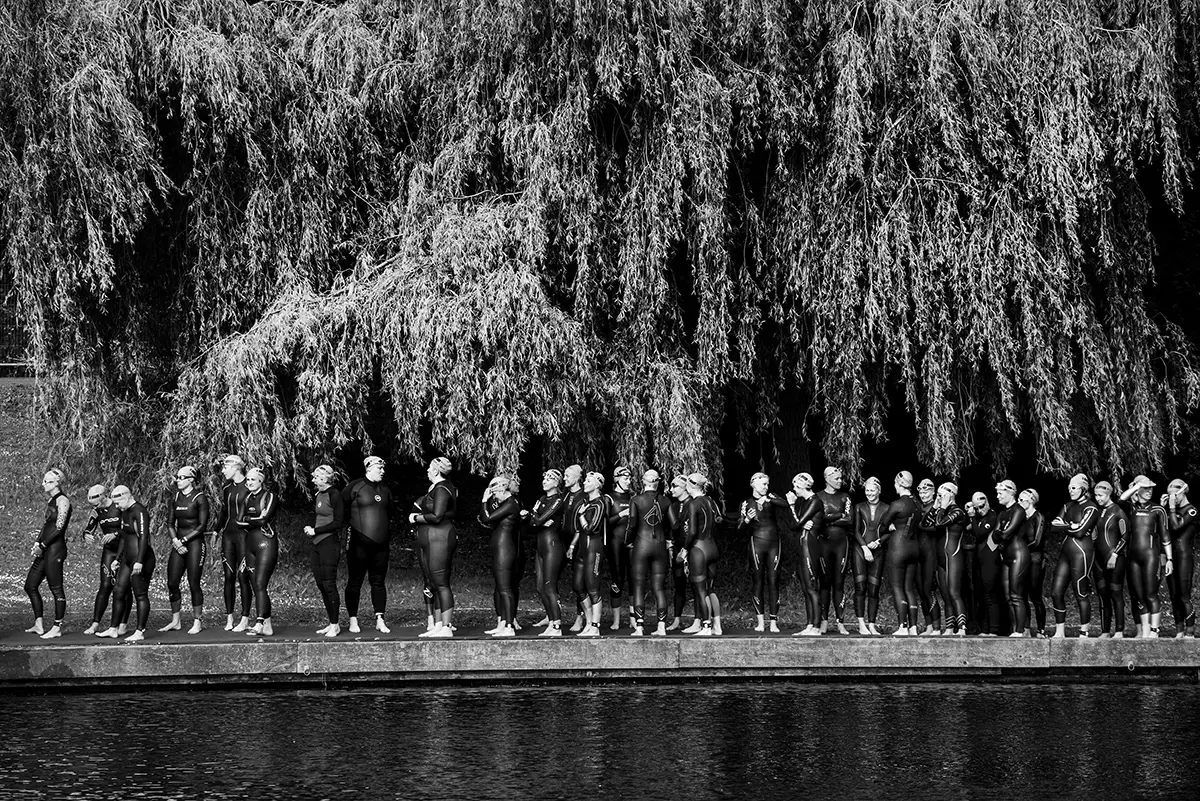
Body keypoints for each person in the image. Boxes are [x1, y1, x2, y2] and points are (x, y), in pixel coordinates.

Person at [344, 456, 394, 634]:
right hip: (359, 543)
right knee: (355, 581)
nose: (382, 471)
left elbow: (389, 513)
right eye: (379, 468)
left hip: (381, 545)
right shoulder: (355, 486)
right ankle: (353, 619)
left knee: (378, 582)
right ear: (369, 468)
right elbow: (342, 509)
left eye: (383, 468)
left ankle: (380, 619)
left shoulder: (385, 489)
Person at [408, 456, 457, 638]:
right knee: (434, 583)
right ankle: (437, 624)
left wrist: (416, 518)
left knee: (441, 582)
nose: (427, 471)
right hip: (430, 537)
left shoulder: (443, 488)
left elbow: (437, 516)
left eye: (429, 468)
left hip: (440, 537)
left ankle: (447, 626)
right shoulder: (436, 488)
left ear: (436, 470)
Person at [1119, 475, 1172, 637]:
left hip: (1151, 556)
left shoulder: (1158, 509)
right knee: (1139, 595)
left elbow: (1165, 536)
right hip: (1133, 558)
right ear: (1138, 489)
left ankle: (1154, 630)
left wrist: (1169, 559)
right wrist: (1136, 486)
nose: (1149, 491)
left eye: (1151, 489)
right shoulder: (1132, 508)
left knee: (1151, 594)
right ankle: (1145, 631)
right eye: (1146, 488)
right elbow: (1121, 499)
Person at [101, 485, 155, 642]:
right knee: (118, 590)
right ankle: (113, 628)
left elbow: (144, 537)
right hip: (127, 558)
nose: (116, 507)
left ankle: (140, 630)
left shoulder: (139, 511)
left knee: (140, 594)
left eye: (118, 503)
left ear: (126, 497)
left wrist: (139, 561)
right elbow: (124, 537)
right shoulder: (124, 512)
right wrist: (117, 559)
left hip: (142, 557)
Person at [160, 465, 209, 635]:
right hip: (178, 543)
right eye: (177, 477)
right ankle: (176, 621)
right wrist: (175, 541)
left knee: (193, 582)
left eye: (181, 477)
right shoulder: (176, 497)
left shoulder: (200, 498)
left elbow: (202, 526)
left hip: (195, 543)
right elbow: (170, 523)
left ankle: (197, 620)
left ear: (191, 479)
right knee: (172, 582)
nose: (178, 480)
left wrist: (184, 540)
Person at [1049, 474, 1099, 638]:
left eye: (1074, 487)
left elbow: (1080, 532)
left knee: (1080, 593)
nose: (1070, 490)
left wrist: (1066, 526)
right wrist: (1071, 525)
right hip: (1066, 552)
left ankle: (1084, 631)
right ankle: (1060, 631)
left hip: (1082, 552)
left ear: (1084, 489)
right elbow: (1053, 527)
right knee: (1056, 592)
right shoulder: (1068, 505)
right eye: (1069, 487)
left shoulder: (1091, 507)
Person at [739, 471, 790, 633]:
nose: (766, 487)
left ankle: (774, 622)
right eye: (763, 484)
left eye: (767, 484)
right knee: (758, 581)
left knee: (774, 581)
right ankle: (760, 621)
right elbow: (739, 528)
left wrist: (769, 498)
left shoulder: (771, 497)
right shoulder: (746, 503)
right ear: (753, 483)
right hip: (757, 543)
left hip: (774, 543)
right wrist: (747, 519)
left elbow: (785, 504)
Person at [25, 469, 72, 638]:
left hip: (55, 549)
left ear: (57, 483)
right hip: (45, 549)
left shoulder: (62, 500)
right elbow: (47, 526)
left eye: (47, 481)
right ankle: (39, 624)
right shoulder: (52, 501)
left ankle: (57, 627)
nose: (43, 484)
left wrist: (43, 545)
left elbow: (59, 528)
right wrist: (38, 542)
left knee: (56, 589)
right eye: (44, 481)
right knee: (30, 586)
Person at [81, 484, 130, 636]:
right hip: (109, 551)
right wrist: (87, 534)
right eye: (92, 505)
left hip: (125, 550)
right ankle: (95, 624)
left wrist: (115, 534)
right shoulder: (96, 511)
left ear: (104, 496)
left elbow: (129, 528)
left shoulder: (119, 506)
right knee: (105, 586)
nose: (94, 506)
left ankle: (123, 624)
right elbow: (89, 527)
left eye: (96, 503)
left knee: (124, 588)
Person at [628, 469, 672, 636]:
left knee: (639, 586)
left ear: (643, 482)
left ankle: (639, 627)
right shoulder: (665, 501)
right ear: (658, 482)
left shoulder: (636, 500)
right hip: (660, 546)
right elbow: (674, 525)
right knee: (659, 588)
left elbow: (631, 524)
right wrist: (668, 539)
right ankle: (661, 627)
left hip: (641, 545)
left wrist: (627, 541)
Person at [479, 475, 523, 638]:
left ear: (503, 489)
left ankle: (509, 625)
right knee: (500, 587)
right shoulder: (506, 503)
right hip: (500, 548)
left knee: (505, 588)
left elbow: (487, 518)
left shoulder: (511, 503)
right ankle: (503, 623)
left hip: (506, 548)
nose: (494, 497)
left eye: (495, 493)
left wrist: (484, 501)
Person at [212, 454, 252, 632]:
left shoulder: (249, 485)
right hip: (228, 534)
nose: (223, 471)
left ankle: (244, 618)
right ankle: (229, 618)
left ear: (236, 467)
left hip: (244, 536)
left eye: (225, 467)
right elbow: (223, 511)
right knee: (228, 577)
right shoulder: (227, 487)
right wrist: (215, 530)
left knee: (243, 577)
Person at [304, 464, 344, 637]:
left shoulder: (335, 494)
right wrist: (312, 529)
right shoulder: (319, 494)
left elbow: (338, 522)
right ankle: (331, 622)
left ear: (325, 478)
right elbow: (321, 518)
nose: (313, 480)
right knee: (320, 583)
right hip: (317, 543)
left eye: (316, 478)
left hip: (329, 542)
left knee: (329, 583)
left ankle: (336, 624)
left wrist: (316, 530)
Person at [877, 472, 920, 635]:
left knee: (897, 586)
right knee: (909, 588)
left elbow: (882, 525)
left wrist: (890, 526)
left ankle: (902, 626)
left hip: (899, 547)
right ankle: (913, 627)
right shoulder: (917, 503)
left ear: (899, 484)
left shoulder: (897, 504)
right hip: (914, 548)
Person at [238, 468, 279, 636]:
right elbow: (238, 521)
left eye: (252, 480)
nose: (248, 483)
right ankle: (268, 627)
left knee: (261, 584)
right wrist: (251, 520)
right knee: (255, 585)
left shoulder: (269, 497)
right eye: (247, 480)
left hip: (266, 543)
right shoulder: (246, 498)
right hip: (250, 545)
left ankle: (260, 622)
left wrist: (249, 520)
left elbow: (264, 520)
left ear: (261, 481)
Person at [571, 471, 610, 637]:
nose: (585, 483)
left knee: (593, 588)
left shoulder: (600, 504)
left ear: (597, 484)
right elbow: (578, 529)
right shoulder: (586, 503)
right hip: (582, 549)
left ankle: (595, 625)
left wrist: (581, 515)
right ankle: (588, 622)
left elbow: (591, 528)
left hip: (594, 548)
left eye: (588, 481)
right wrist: (573, 545)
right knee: (578, 586)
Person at [682, 472, 721, 636]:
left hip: (699, 549)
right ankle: (717, 626)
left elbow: (691, 532)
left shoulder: (693, 504)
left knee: (700, 590)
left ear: (690, 486)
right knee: (710, 589)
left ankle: (705, 626)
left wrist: (684, 549)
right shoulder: (711, 501)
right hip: (712, 547)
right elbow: (719, 520)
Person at [815, 467, 853, 634]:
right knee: (824, 583)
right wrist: (838, 516)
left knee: (839, 584)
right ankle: (823, 621)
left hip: (841, 544)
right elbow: (818, 520)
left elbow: (849, 519)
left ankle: (840, 622)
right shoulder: (818, 497)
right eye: (836, 478)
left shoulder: (845, 497)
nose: (840, 481)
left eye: (840, 478)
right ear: (827, 478)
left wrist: (829, 520)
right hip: (823, 544)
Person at [529, 469, 567, 637]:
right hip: (541, 546)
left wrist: (537, 517)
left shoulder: (558, 499)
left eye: (549, 479)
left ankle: (557, 626)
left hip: (552, 545)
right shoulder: (542, 499)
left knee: (549, 585)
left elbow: (537, 519)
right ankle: (551, 620)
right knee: (540, 586)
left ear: (556, 483)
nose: (544, 481)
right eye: (544, 478)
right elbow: (533, 523)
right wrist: (538, 518)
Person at [989, 480, 1029, 637]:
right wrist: (1000, 532)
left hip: (1018, 553)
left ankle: (1020, 631)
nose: (998, 496)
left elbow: (1005, 534)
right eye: (997, 493)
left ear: (1011, 493)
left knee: (1016, 594)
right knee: (1007, 596)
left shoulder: (1019, 510)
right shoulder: (1002, 513)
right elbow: (995, 536)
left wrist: (1001, 532)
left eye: (1000, 493)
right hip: (1006, 555)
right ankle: (1014, 630)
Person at [929, 482, 968, 636]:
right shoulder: (942, 510)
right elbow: (926, 523)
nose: (939, 498)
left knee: (954, 593)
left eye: (941, 495)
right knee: (945, 595)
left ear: (951, 495)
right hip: (941, 558)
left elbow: (939, 524)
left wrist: (943, 507)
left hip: (953, 556)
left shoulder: (958, 512)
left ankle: (962, 628)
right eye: (938, 495)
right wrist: (935, 507)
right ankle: (950, 628)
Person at [788, 473, 825, 636]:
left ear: (802, 487)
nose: (794, 490)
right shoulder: (806, 502)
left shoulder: (815, 501)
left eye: (796, 487)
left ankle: (816, 626)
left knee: (812, 587)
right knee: (805, 588)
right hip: (802, 545)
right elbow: (794, 525)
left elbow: (796, 523)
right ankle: (810, 625)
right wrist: (800, 520)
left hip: (810, 546)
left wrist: (791, 506)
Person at [852, 477, 888, 635]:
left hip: (878, 550)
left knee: (874, 589)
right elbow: (856, 531)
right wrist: (865, 547)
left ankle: (871, 624)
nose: (869, 493)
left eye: (872, 490)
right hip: (860, 549)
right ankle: (861, 624)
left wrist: (879, 542)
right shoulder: (859, 507)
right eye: (867, 490)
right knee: (860, 587)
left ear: (879, 490)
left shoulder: (887, 508)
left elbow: (889, 532)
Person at [1092, 481, 1128, 638]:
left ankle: (1119, 630)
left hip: (1115, 559)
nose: (1098, 498)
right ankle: (1105, 631)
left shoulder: (1118, 512)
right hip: (1099, 560)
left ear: (1109, 494)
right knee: (1102, 595)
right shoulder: (1099, 511)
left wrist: (1115, 554)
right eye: (1096, 495)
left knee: (1116, 594)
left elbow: (1125, 536)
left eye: (1100, 495)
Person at [1165, 479, 1197, 638]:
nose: (1173, 498)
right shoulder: (1171, 509)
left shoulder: (1191, 510)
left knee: (1184, 596)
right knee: (1174, 595)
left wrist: (1171, 508)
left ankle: (1190, 631)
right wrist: (1164, 508)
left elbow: (1177, 527)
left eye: (1174, 495)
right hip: (1172, 558)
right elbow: (1164, 532)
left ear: (1182, 492)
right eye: (1170, 495)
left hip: (1184, 557)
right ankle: (1179, 631)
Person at [559, 464, 589, 632]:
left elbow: (580, 524)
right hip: (562, 540)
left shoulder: (584, 496)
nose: (565, 478)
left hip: (578, 542)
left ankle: (581, 617)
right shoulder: (564, 494)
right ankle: (551, 615)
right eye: (564, 475)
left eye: (568, 475)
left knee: (579, 581)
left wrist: (573, 544)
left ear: (578, 477)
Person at [967, 492, 1001, 635]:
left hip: (990, 560)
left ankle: (994, 629)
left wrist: (973, 517)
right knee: (981, 596)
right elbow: (968, 528)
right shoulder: (979, 517)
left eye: (981, 506)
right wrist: (969, 513)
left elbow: (979, 534)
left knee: (990, 596)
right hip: (980, 560)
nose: (980, 510)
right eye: (976, 508)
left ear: (986, 502)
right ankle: (985, 629)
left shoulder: (993, 516)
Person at [606, 467, 634, 630]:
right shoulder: (609, 498)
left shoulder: (633, 498)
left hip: (630, 544)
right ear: (616, 479)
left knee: (633, 580)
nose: (628, 481)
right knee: (617, 579)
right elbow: (605, 523)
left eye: (630, 478)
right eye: (625, 478)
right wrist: (622, 514)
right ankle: (616, 620)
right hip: (614, 542)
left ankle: (632, 619)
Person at [913, 478, 943, 636]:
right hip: (918, 552)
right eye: (921, 492)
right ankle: (929, 626)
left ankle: (937, 628)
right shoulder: (917, 507)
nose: (923, 494)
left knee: (928, 589)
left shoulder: (937, 508)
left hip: (931, 552)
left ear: (933, 492)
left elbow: (930, 527)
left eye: (926, 491)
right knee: (921, 590)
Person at [1018, 489, 1048, 637]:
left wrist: (1020, 549)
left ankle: (1041, 630)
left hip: (1035, 558)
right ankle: (1026, 629)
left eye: (1022, 500)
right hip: (1023, 558)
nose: (1019, 503)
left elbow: (1037, 541)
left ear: (1031, 500)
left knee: (1035, 595)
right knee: (1022, 595)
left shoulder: (1039, 517)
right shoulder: (1021, 517)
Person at [666, 475, 691, 631]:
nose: (671, 489)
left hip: (692, 548)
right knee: (679, 585)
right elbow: (670, 527)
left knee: (696, 585)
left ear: (685, 488)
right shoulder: (673, 506)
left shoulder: (693, 504)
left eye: (674, 486)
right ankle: (676, 620)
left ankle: (700, 620)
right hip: (676, 548)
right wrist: (669, 544)